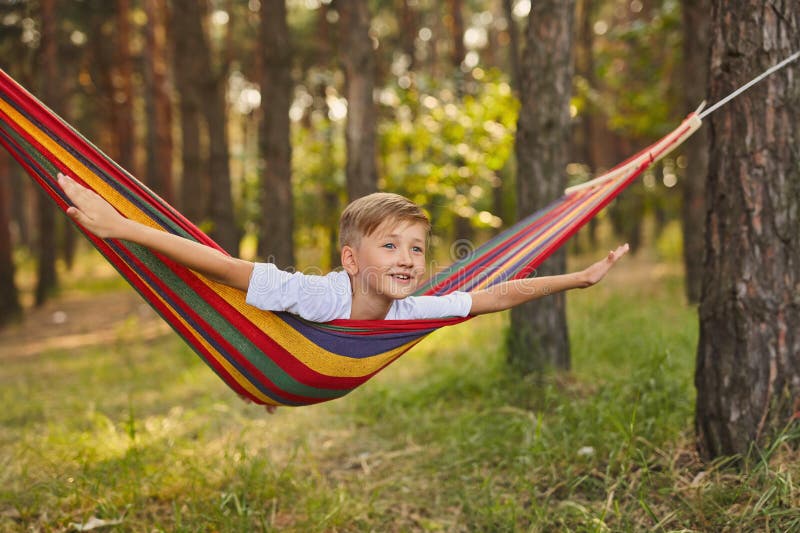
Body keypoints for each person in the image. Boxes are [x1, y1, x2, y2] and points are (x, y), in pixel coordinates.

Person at [56, 173, 629, 323]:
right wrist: (125, 228)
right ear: (351, 261)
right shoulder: (315, 294)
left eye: (416, 248)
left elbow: (497, 294)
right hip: (279, 358)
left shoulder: (411, 308)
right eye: (390, 246)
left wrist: (578, 279)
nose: (407, 259)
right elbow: (226, 268)